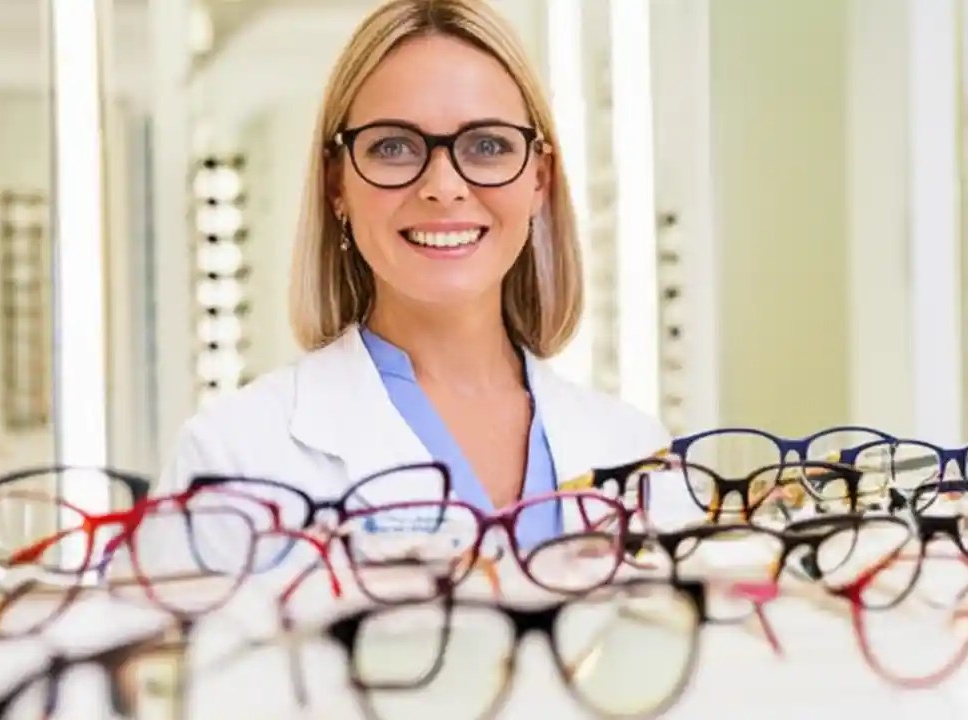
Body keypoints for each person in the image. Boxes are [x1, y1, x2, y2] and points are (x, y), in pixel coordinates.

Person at [154, 0, 672, 553]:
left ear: (539, 181)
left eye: (488, 145)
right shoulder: (231, 459)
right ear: (337, 185)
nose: (443, 186)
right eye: (394, 147)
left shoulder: (635, 451)